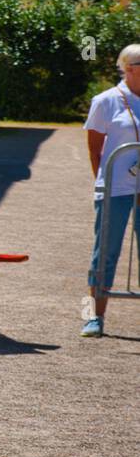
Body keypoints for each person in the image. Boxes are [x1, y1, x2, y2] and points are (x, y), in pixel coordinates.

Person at [82, 44, 140, 336]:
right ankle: (94, 317)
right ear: (129, 69)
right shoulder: (106, 101)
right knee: (104, 253)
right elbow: (94, 150)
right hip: (115, 189)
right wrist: (102, 184)